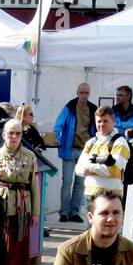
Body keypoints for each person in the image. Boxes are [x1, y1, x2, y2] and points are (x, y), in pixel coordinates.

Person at [0, 119, 40, 265]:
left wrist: (35, 213)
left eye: (18, 133)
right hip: (1, 207)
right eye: (11, 133)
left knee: (15, 248)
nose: (15, 137)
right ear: (3, 135)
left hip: (20, 208)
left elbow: (34, 186)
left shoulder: (29, 156)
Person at [54, 83, 96, 223]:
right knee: (67, 182)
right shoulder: (70, 107)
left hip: (86, 151)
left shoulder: (93, 109)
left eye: (86, 93)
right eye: (82, 92)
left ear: (89, 93)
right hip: (69, 149)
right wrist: (58, 138)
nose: (84, 95)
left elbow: (96, 129)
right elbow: (58, 124)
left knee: (80, 184)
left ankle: (75, 212)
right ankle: (64, 212)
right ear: (77, 93)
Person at [77, 105, 132, 207]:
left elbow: (113, 170)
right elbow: (78, 168)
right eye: (99, 121)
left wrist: (90, 167)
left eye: (105, 121)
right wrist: (98, 168)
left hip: (110, 197)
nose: (101, 124)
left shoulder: (120, 143)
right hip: (90, 196)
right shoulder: (91, 142)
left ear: (113, 122)